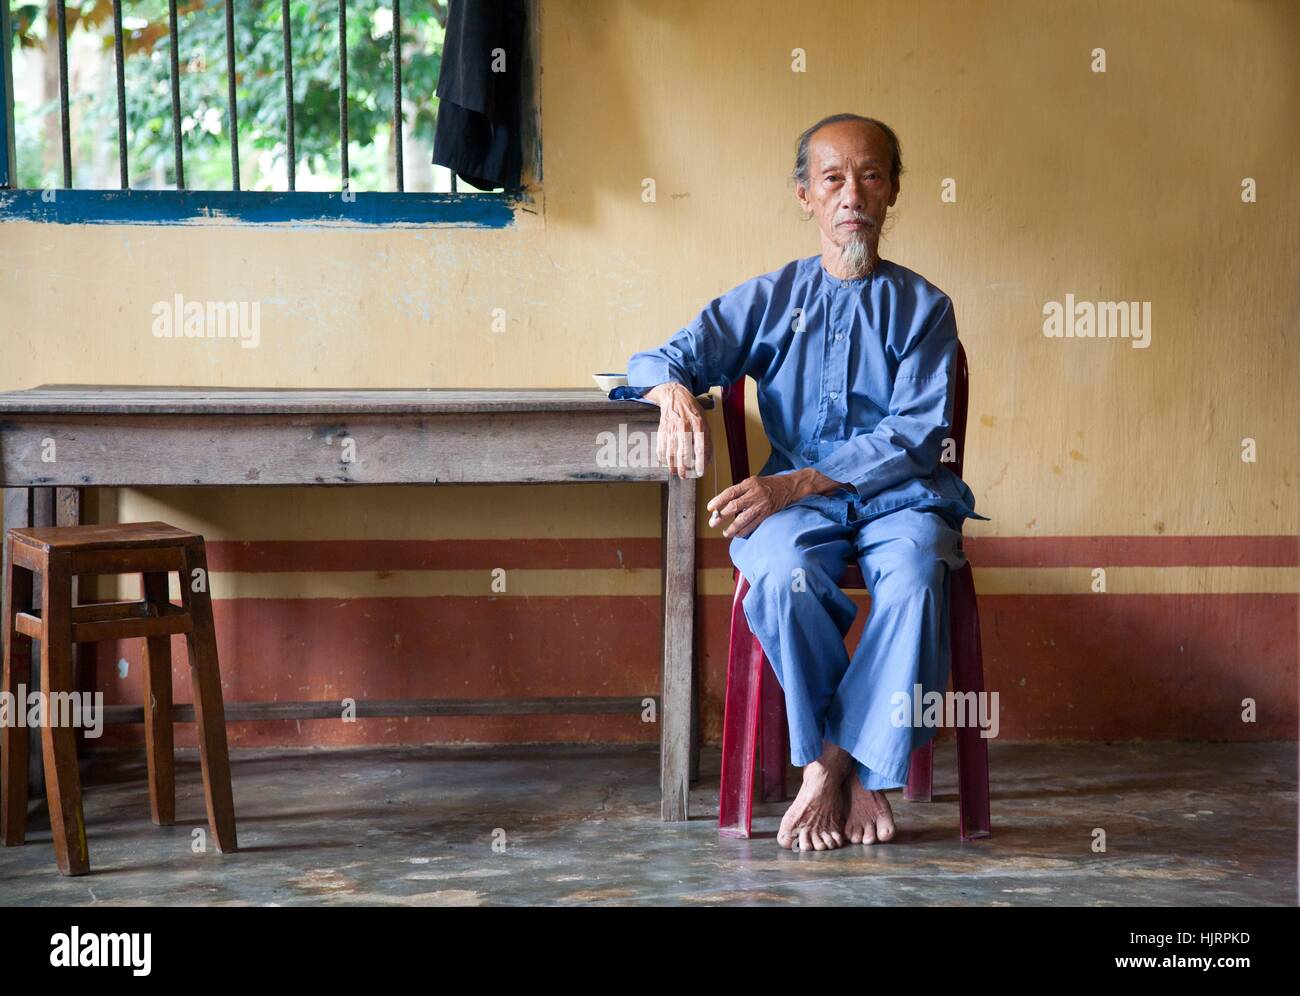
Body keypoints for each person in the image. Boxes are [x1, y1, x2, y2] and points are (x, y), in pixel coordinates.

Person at [625, 113, 989, 851]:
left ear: (891, 194)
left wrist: (791, 486)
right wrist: (665, 391)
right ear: (805, 196)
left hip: (901, 499)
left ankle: (829, 768)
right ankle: (854, 766)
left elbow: (916, 437)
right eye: (832, 178)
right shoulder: (767, 299)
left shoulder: (926, 309)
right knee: (785, 571)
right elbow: (665, 356)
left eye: (871, 176)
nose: (851, 193)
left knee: (918, 574)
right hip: (795, 512)